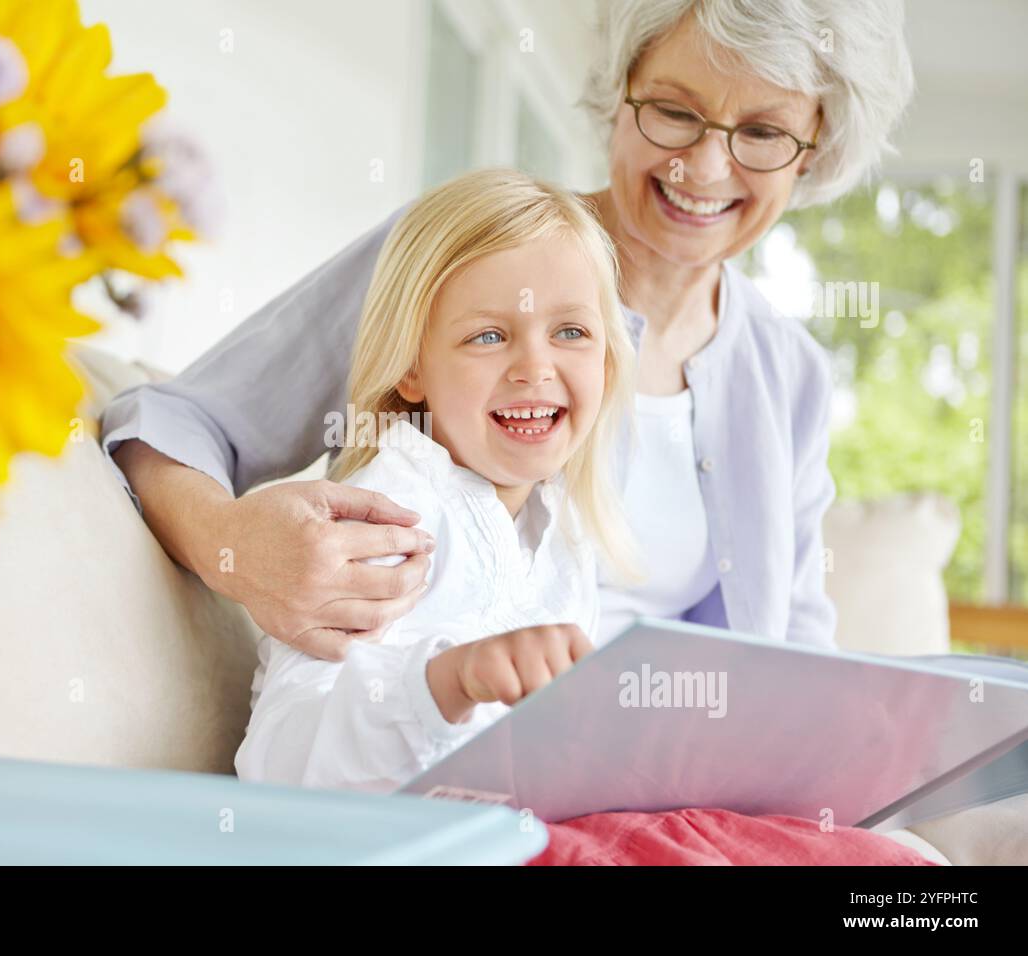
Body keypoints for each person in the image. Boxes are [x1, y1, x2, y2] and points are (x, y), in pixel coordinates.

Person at [101, 0, 914, 658]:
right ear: (621, 96)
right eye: (673, 111)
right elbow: (170, 422)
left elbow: (799, 650)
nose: (702, 167)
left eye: (764, 133)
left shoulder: (790, 371)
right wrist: (235, 546)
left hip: (686, 798)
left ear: (815, 151)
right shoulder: (465, 258)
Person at [235, 168, 634, 789]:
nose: (536, 366)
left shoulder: (565, 531)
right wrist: (448, 682)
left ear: (607, 362)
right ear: (413, 368)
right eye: (489, 336)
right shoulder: (381, 519)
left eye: (571, 332)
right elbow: (280, 764)